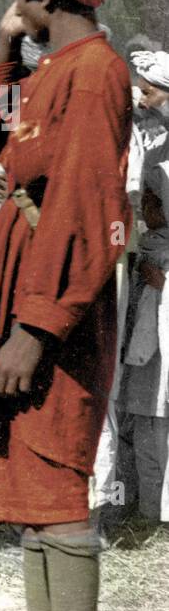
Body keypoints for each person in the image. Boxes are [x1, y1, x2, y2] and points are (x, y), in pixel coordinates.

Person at [0, 0, 138, 611]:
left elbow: (86, 208)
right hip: (26, 279)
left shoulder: (96, 72)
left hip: (54, 298)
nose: (9, 7)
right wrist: (4, 50)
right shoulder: (55, 68)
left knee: (57, 478)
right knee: (30, 483)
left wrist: (35, 327)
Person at [122, 161, 169, 523]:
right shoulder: (148, 243)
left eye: (154, 200)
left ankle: (158, 511)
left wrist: (162, 284)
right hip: (142, 356)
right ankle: (142, 507)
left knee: (158, 432)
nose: (146, 207)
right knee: (141, 429)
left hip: (162, 359)